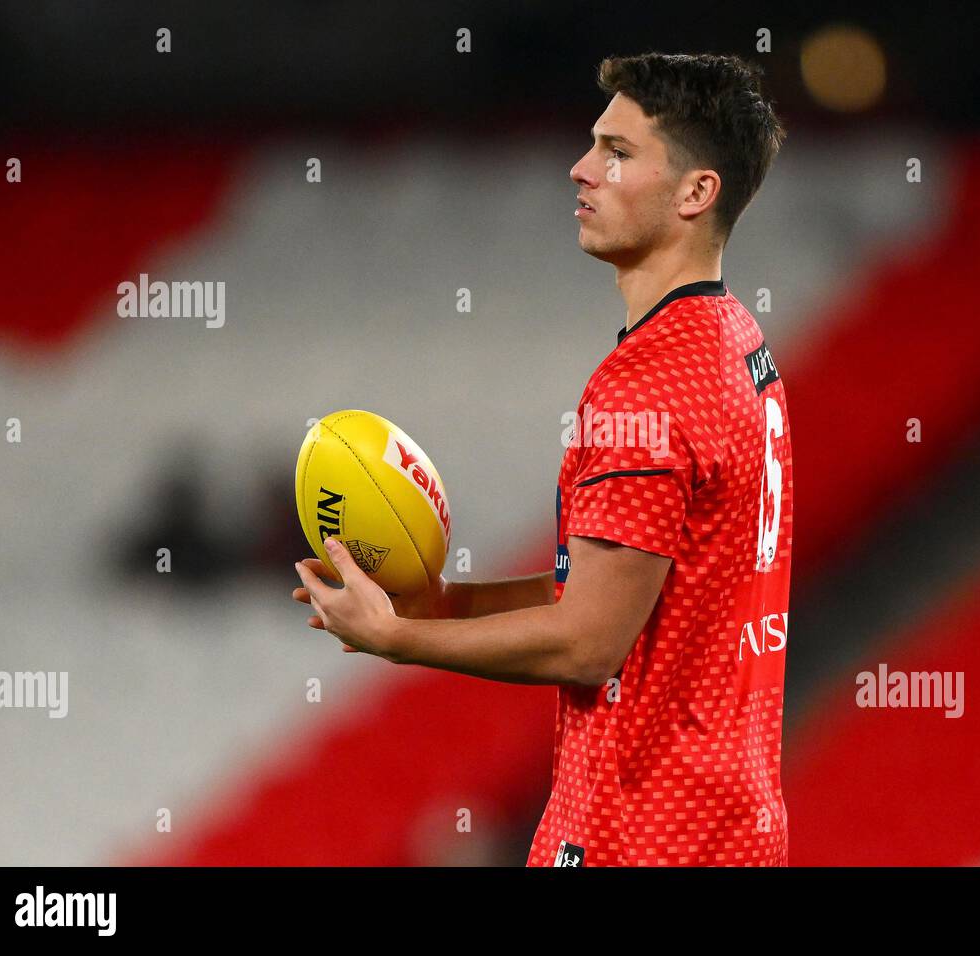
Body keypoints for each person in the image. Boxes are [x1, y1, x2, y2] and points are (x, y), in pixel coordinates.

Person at [294, 52, 792, 866]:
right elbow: (621, 591)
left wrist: (396, 640)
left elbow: (588, 641)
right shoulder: (737, 344)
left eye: (618, 153)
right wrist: (439, 607)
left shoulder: (648, 385)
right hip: (728, 827)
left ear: (696, 193)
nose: (581, 169)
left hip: (643, 838)